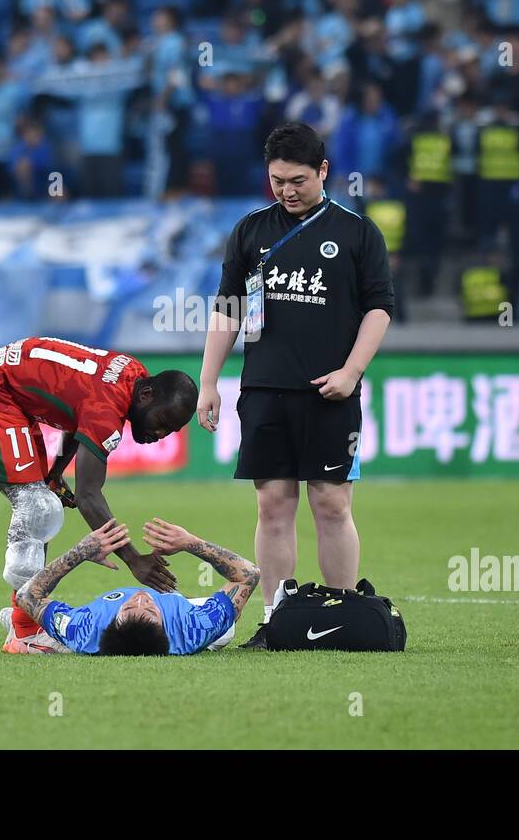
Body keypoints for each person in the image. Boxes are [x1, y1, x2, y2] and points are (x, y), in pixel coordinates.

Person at [197, 122, 394, 650]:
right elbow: (228, 307)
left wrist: (351, 372)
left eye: (298, 180)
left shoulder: (358, 233)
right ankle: (277, 622)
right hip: (264, 390)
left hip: (331, 393)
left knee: (332, 505)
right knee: (273, 506)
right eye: (277, 180)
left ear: (323, 171)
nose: (286, 190)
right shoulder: (250, 230)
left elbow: (379, 309)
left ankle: (344, 617)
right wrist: (209, 380)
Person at [0, 336, 198, 653]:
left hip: (7, 393)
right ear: (146, 395)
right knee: (38, 509)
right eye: (162, 421)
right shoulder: (108, 409)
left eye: (170, 431)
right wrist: (133, 559)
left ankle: (22, 620)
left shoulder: (133, 375)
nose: (160, 434)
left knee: (43, 505)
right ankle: (24, 632)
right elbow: (88, 496)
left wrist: (56, 472)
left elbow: (81, 412)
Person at [14, 518, 259, 656]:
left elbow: (27, 595)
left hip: (83, 631)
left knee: (25, 621)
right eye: (151, 610)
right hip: (187, 608)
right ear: (164, 628)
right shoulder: (193, 628)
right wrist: (190, 542)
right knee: (226, 632)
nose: (142, 598)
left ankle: (23, 632)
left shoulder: (85, 630)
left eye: (129, 608)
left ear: (113, 621)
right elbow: (248, 574)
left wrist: (81, 551)